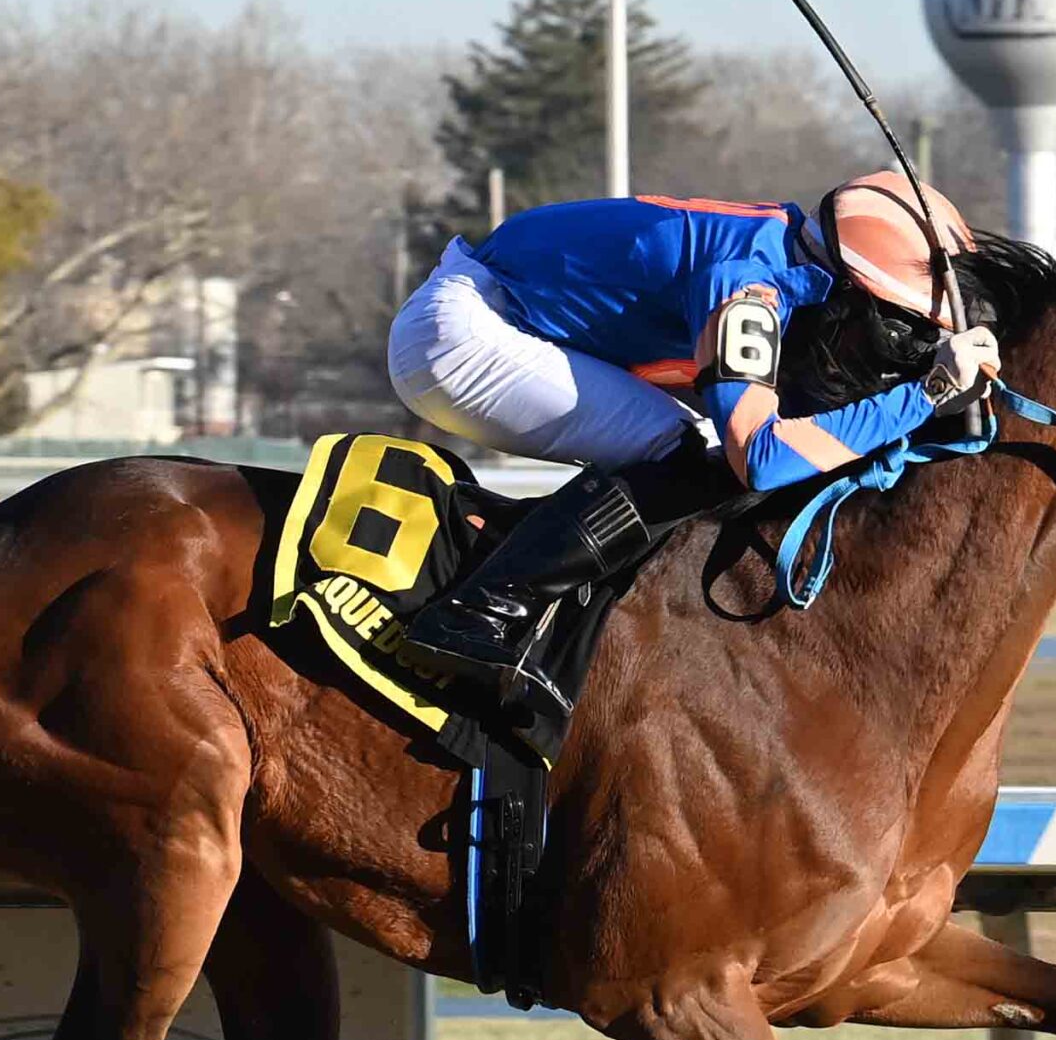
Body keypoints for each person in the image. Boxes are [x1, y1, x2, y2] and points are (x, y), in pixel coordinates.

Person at [387, 172, 1002, 705]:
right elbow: (760, 458)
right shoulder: (749, 290)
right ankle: (477, 615)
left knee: (696, 446)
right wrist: (924, 396)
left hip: (498, 310)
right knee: (688, 451)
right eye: (895, 328)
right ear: (850, 289)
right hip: (462, 333)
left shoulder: (792, 263)